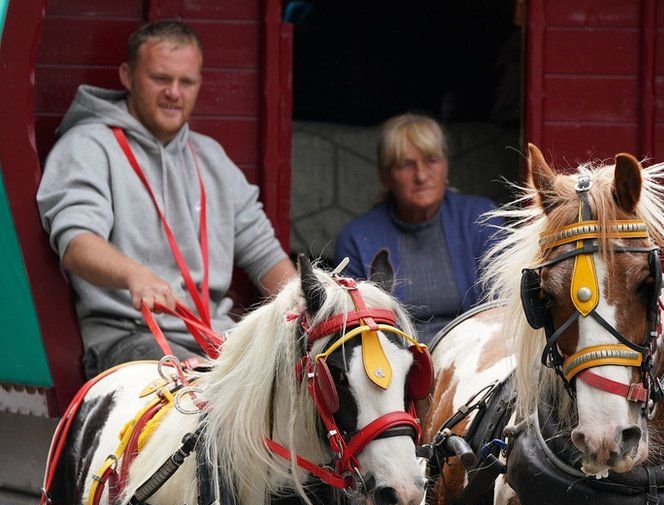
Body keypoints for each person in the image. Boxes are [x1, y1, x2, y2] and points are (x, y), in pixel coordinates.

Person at [37, 20, 296, 377]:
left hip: (217, 340)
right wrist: (134, 275)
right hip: (128, 340)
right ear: (127, 76)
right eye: (161, 78)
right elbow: (76, 243)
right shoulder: (87, 146)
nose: (174, 92)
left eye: (186, 81)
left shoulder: (212, 157)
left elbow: (265, 255)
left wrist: (308, 303)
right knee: (197, 391)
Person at [333, 113, 502, 343]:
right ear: (385, 177)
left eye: (431, 160)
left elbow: (502, 310)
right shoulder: (358, 238)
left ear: (446, 167)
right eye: (406, 165)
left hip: (474, 359)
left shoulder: (480, 219)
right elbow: (355, 331)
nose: (421, 175)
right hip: (395, 364)